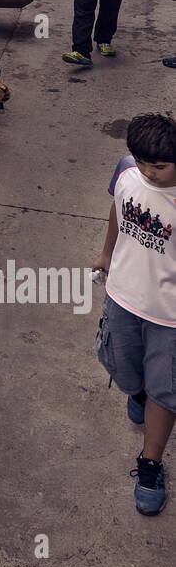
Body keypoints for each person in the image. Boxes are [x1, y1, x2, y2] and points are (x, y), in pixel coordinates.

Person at [92, 113, 176, 515]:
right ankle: (138, 392)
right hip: (122, 297)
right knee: (122, 367)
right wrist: (107, 253)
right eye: (142, 162)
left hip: (169, 317)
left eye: (159, 166)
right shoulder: (128, 173)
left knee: (166, 389)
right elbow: (118, 210)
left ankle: (150, 464)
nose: (149, 173)